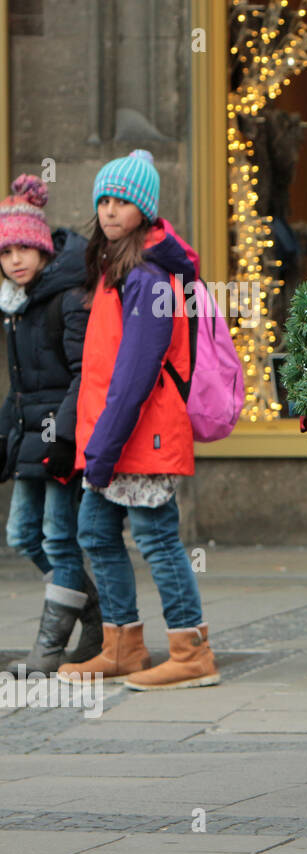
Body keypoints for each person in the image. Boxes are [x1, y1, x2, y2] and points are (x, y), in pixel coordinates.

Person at [55, 149, 218, 692]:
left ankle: (190, 650)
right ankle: (122, 646)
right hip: (112, 434)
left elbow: (135, 375)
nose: (108, 209)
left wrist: (101, 447)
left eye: (121, 200)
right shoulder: (114, 268)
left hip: (138, 433)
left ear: (144, 210)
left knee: (157, 538)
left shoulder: (148, 277)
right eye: (103, 198)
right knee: (95, 531)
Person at [0, 175, 101, 675]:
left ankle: (48, 646)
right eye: (6, 251)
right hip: (30, 439)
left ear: (42, 248)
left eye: (24, 248)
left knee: (60, 538)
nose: (15, 259)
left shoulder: (66, 296)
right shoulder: (16, 307)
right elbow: (20, 388)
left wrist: (62, 437)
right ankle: (91, 606)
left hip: (61, 440)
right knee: (22, 533)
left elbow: (83, 374)